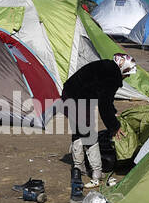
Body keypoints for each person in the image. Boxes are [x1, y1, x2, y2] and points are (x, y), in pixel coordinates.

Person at [59, 54, 137, 192]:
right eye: (128, 73)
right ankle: (97, 173)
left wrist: (112, 112)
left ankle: (79, 167)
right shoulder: (112, 77)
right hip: (78, 100)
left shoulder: (107, 67)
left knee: (79, 131)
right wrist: (114, 126)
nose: (128, 76)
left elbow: (105, 98)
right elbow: (104, 104)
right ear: (123, 69)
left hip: (68, 94)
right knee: (90, 135)